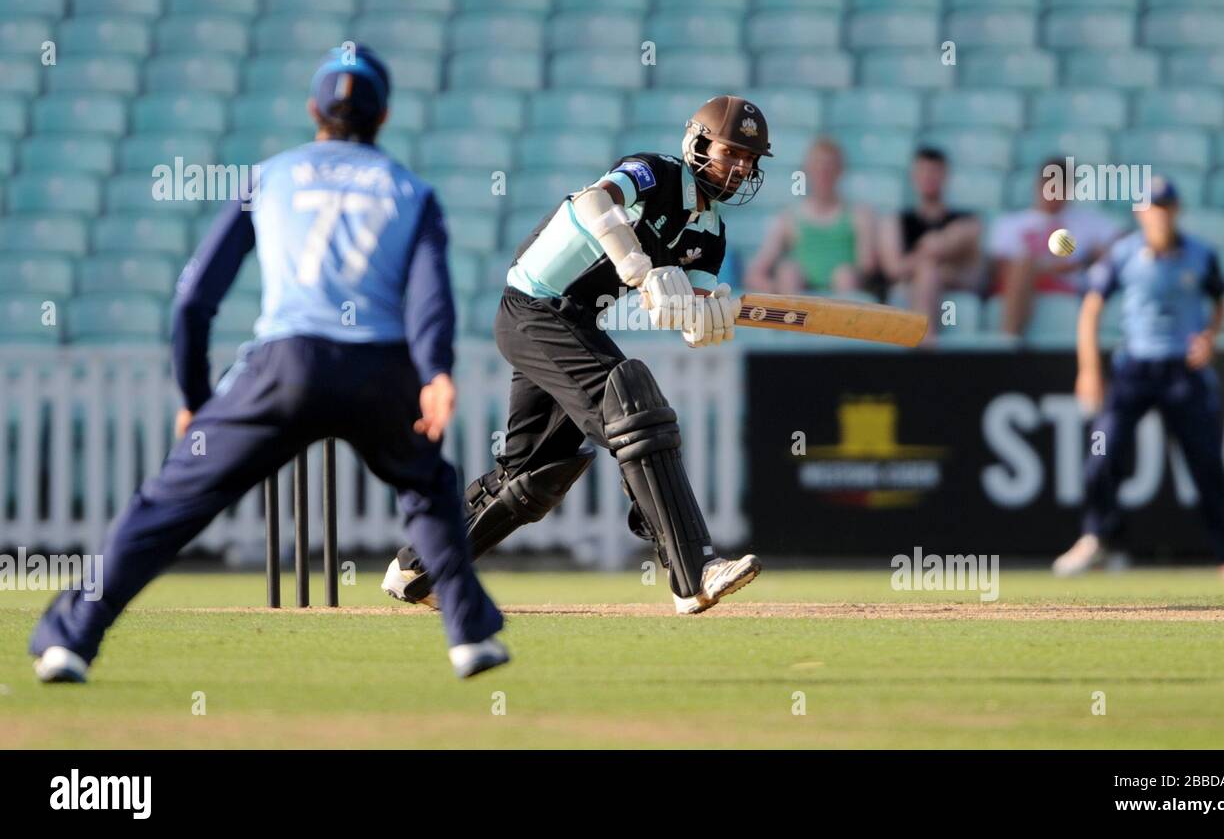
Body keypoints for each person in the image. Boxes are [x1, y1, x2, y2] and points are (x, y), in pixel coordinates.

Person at [30, 46, 508, 682]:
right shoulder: (410, 191)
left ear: (314, 110)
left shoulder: (271, 175)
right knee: (427, 490)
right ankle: (469, 637)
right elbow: (430, 299)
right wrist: (435, 371)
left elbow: (193, 299)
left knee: (168, 506)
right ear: (384, 116)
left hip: (282, 366)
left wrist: (197, 396)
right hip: (378, 368)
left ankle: (72, 639)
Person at [383, 96, 768, 615]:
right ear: (698, 144)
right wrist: (637, 266)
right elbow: (593, 201)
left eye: (750, 159)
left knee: (537, 471)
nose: (740, 167)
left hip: (574, 322)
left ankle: (419, 568)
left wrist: (706, 320)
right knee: (632, 403)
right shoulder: (654, 173)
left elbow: (682, 311)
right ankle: (692, 571)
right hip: (531, 306)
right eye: (731, 152)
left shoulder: (711, 232)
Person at [1054, 177, 1224, 578]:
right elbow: (1090, 310)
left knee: (1207, 462)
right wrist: (1088, 371)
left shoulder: (1200, 255)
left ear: (1175, 210)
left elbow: (1221, 302)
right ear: (1140, 212)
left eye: (1164, 206)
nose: (1158, 214)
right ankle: (1097, 539)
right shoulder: (1122, 254)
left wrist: (1209, 338)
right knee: (1103, 453)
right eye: (1151, 207)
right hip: (1135, 368)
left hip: (1183, 372)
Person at [989, 158, 1123, 337]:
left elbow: (1124, 241)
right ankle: (1009, 336)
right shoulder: (1010, 223)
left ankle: (1008, 337)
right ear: (1039, 185)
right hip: (1018, 282)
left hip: (1066, 286)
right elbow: (1000, 267)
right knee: (1024, 265)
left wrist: (1094, 257)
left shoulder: (1087, 221)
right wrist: (1047, 268)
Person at [743, 137, 875, 295]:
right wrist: (774, 287)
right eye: (817, 168)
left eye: (829, 168)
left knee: (844, 276)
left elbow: (867, 268)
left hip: (843, 294)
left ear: (840, 171)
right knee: (788, 272)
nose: (823, 174)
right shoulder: (789, 217)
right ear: (807, 171)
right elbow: (755, 272)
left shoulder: (858, 215)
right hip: (799, 295)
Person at [875, 146, 982, 342]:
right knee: (928, 271)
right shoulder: (896, 221)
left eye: (934, 171)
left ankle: (924, 340)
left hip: (954, 281)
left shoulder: (965, 220)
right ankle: (926, 339)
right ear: (913, 176)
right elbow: (894, 269)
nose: (928, 177)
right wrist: (927, 254)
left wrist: (936, 247)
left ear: (945, 175)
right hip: (913, 284)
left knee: (931, 270)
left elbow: (973, 269)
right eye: (923, 172)